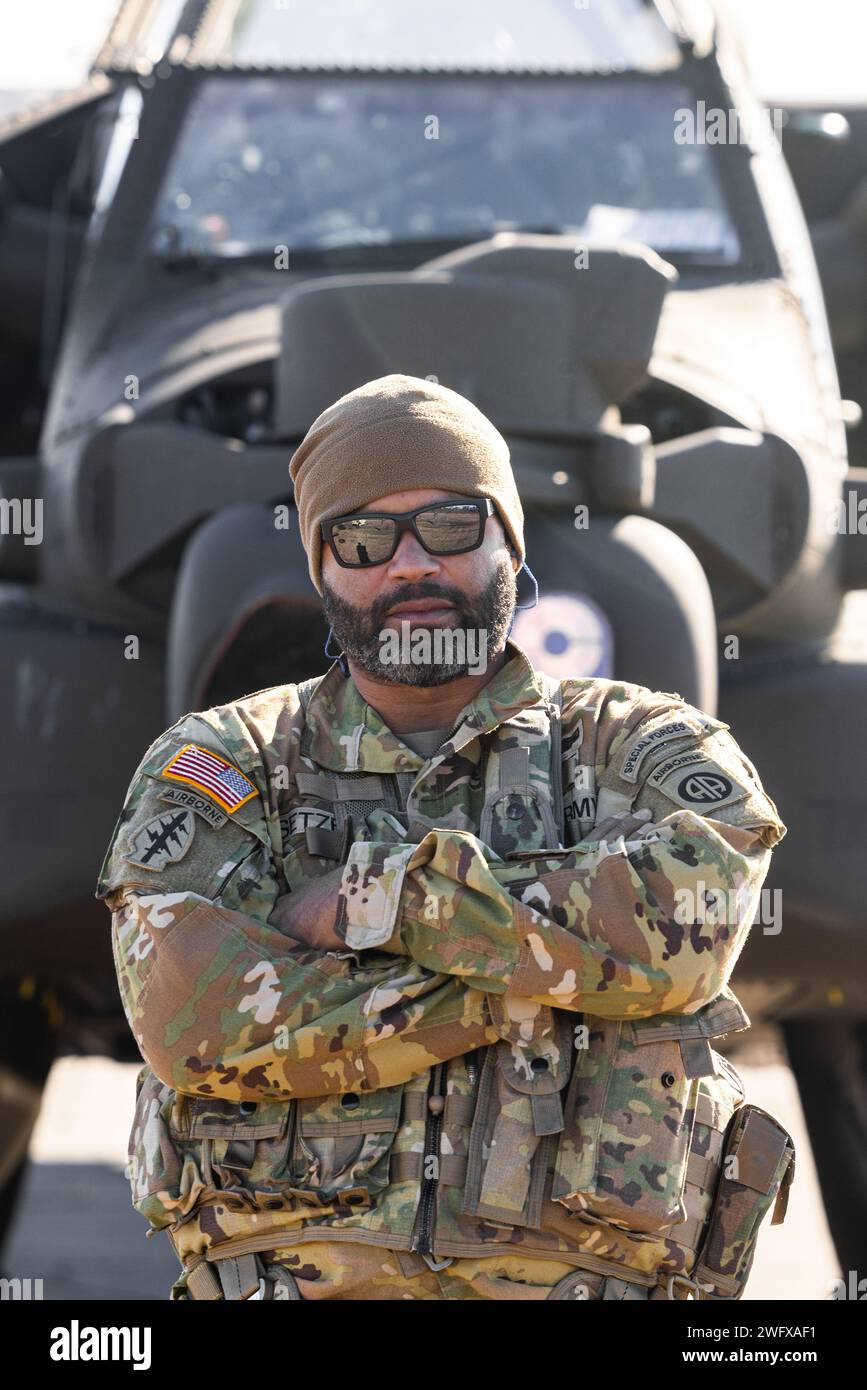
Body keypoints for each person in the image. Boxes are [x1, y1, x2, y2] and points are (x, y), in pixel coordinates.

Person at [96, 374, 791, 1302]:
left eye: (452, 527)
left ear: (509, 539)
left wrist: (381, 900)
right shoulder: (228, 761)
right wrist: (548, 988)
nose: (410, 565)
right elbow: (192, 1016)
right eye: (364, 537)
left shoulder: (641, 745)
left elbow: (685, 934)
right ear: (323, 567)